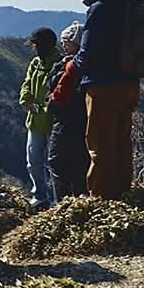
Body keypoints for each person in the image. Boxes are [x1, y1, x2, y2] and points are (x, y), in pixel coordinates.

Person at [51, 0, 141, 198]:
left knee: (99, 147)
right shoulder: (125, 1)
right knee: (121, 143)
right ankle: (123, 193)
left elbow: (86, 53)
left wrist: (68, 75)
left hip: (104, 87)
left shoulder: (100, 8)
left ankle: (100, 199)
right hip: (130, 84)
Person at [47, 22, 89, 200]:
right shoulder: (90, 63)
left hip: (65, 122)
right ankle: (81, 203)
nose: (63, 43)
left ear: (76, 42)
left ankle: (63, 206)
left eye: (67, 40)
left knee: (58, 163)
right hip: (84, 123)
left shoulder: (72, 67)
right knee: (80, 165)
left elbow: (53, 84)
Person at [20, 27, 58, 208]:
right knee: (33, 161)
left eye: (35, 45)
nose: (33, 48)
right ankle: (41, 195)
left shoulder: (59, 63)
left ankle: (57, 199)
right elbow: (27, 84)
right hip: (34, 121)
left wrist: (42, 108)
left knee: (55, 164)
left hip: (53, 122)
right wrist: (25, 99)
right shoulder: (35, 63)